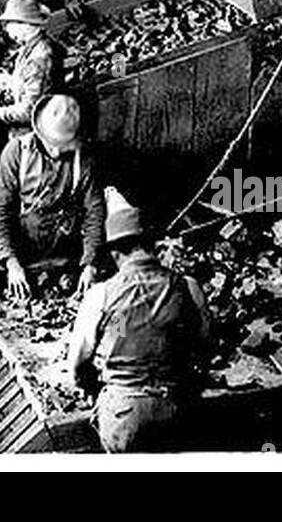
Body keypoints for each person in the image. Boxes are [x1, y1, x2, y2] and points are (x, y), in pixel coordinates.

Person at [67, 191, 211, 453]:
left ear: (114, 252)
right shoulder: (189, 287)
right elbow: (203, 347)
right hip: (177, 410)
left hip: (124, 415)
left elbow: (78, 363)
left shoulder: (101, 294)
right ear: (152, 245)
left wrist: (92, 386)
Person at [0, 94, 103, 300]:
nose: (58, 152)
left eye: (64, 144)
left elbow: (94, 213)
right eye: (53, 143)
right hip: (23, 253)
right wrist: (11, 262)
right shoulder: (16, 152)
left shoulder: (84, 160)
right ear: (39, 132)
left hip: (65, 255)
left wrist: (90, 263)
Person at [0, 0, 65, 136]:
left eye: (9, 24)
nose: (7, 29)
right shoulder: (30, 47)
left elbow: (30, 111)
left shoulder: (39, 58)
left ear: (24, 24)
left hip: (34, 136)